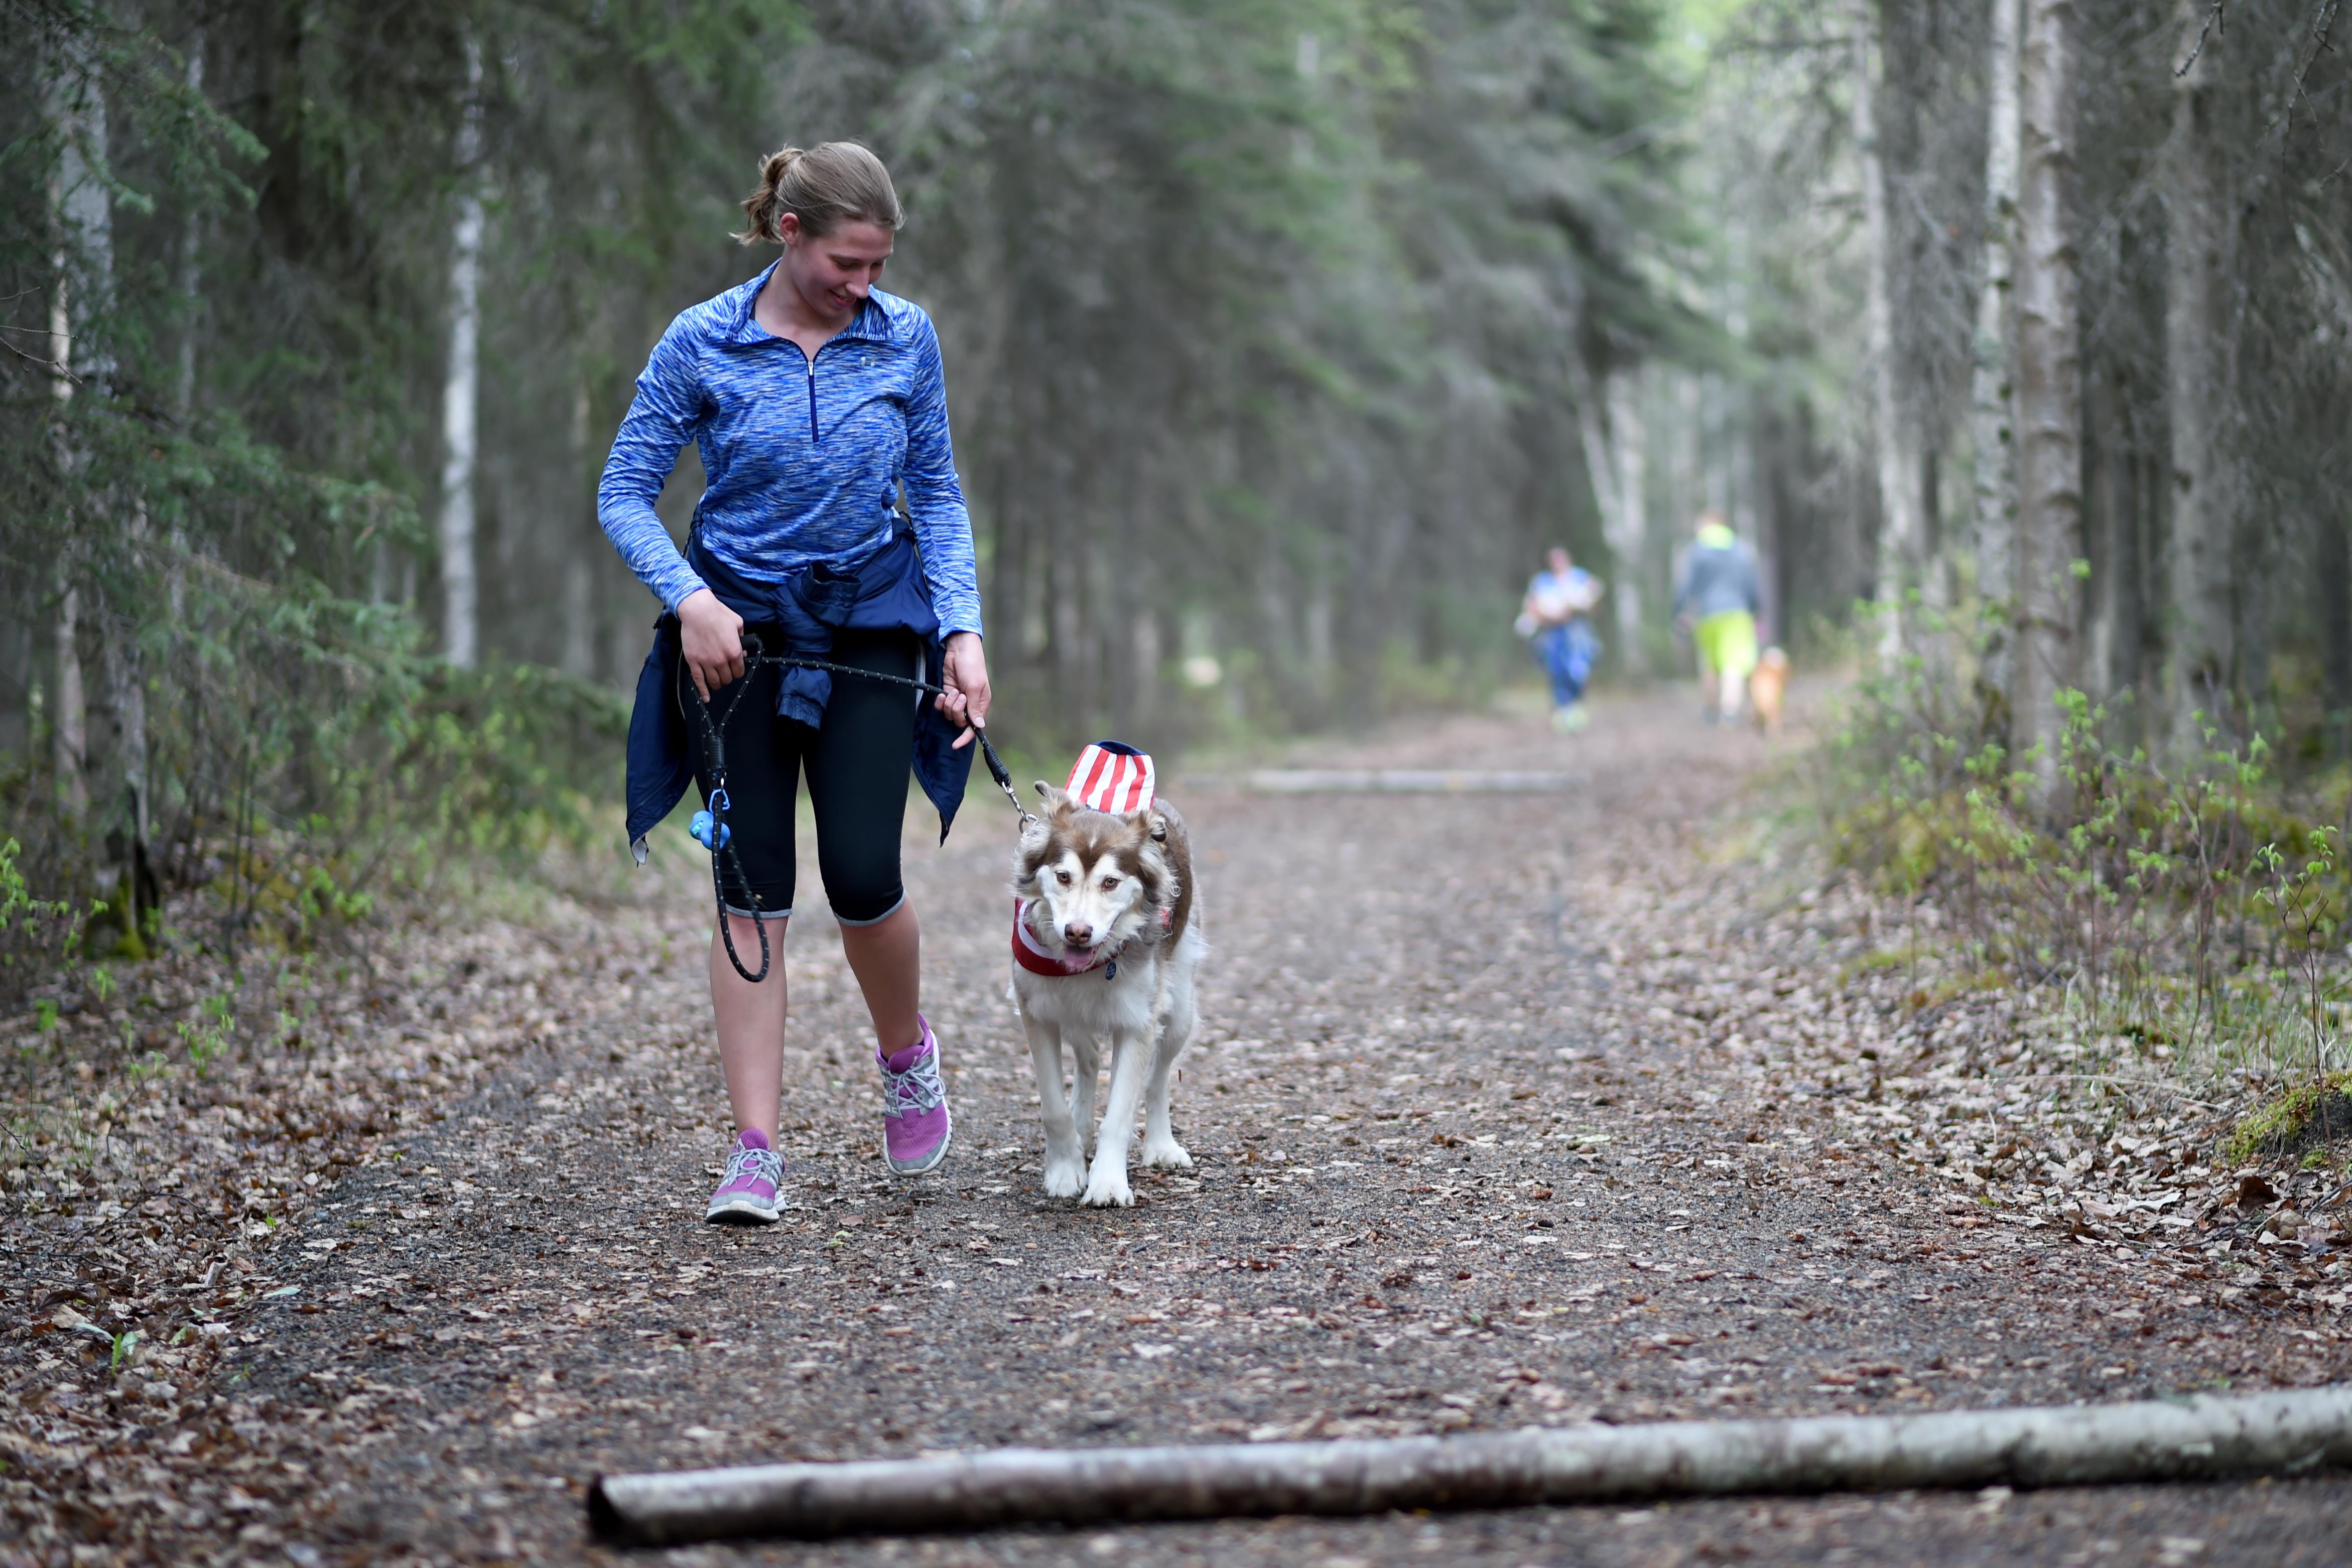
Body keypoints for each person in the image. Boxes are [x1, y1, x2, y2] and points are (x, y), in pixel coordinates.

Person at [598, 142, 990, 1226]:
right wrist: (691, 601)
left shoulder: (904, 337)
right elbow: (625, 490)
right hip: (734, 643)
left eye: (877, 265)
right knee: (749, 888)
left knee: (865, 873)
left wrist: (962, 630)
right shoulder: (703, 341)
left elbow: (939, 493)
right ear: (790, 234)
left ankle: (907, 1056)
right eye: (845, 264)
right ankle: (757, 1150)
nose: (862, 285)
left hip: (869, 626)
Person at [1671, 510, 1763, 724]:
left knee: (1709, 664)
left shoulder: (1696, 552)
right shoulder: (1741, 549)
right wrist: (1757, 609)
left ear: (1704, 526)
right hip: (1737, 614)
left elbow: (1684, 586)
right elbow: (1751, 583)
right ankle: (1729, 710)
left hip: (1707, 614)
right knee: (1734, 663)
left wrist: (1679, 611)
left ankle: (1711, 710)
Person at [1518, 546, 1604, 732]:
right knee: (1557, 672)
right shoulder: (1543, 581)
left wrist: (1578, 607)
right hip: (1553, 634)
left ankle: (1577, 707)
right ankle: (1562, 712)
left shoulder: (1579, 577)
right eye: (1554, 560)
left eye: (1561, 559)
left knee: (1579, 669)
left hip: (1578, 632)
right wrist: (1545, 614)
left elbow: (1595, 600)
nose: (1558, 564)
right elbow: (1531, 605)